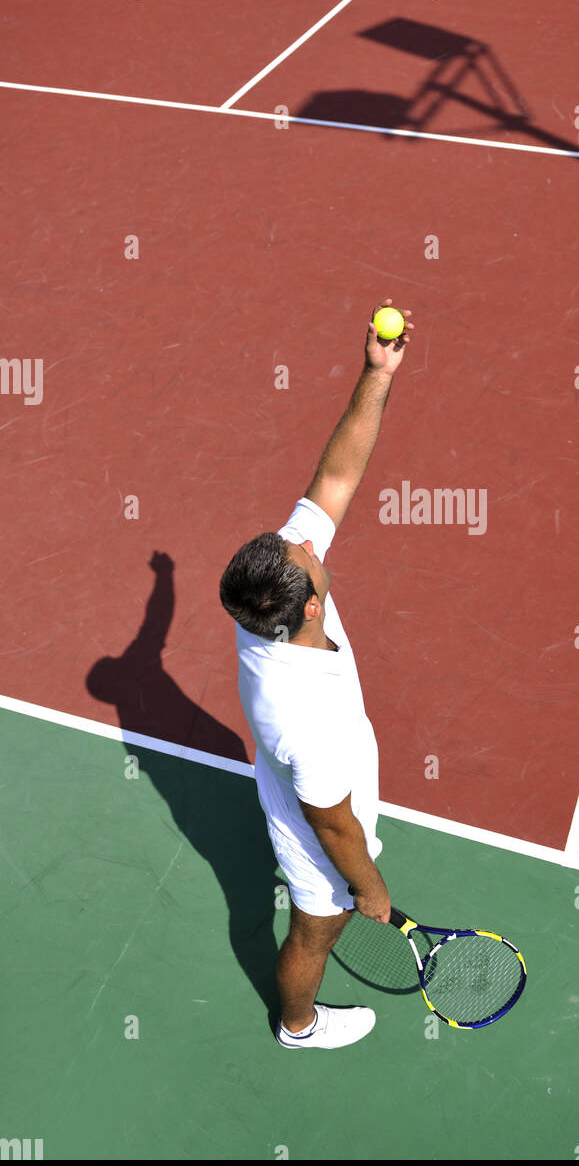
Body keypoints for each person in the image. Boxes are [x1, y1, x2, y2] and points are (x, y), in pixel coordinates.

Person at [219, 300, 413, 1049]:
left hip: (305, 779)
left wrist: (375, 372)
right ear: (302, 612)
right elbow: (334, 823)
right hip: (318, 823)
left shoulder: (271, 596)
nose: (312, 545)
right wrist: (367, 889)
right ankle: (296, 1024)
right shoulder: (309, 722)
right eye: (308, 558)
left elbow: (335, 476)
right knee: (316, 928)